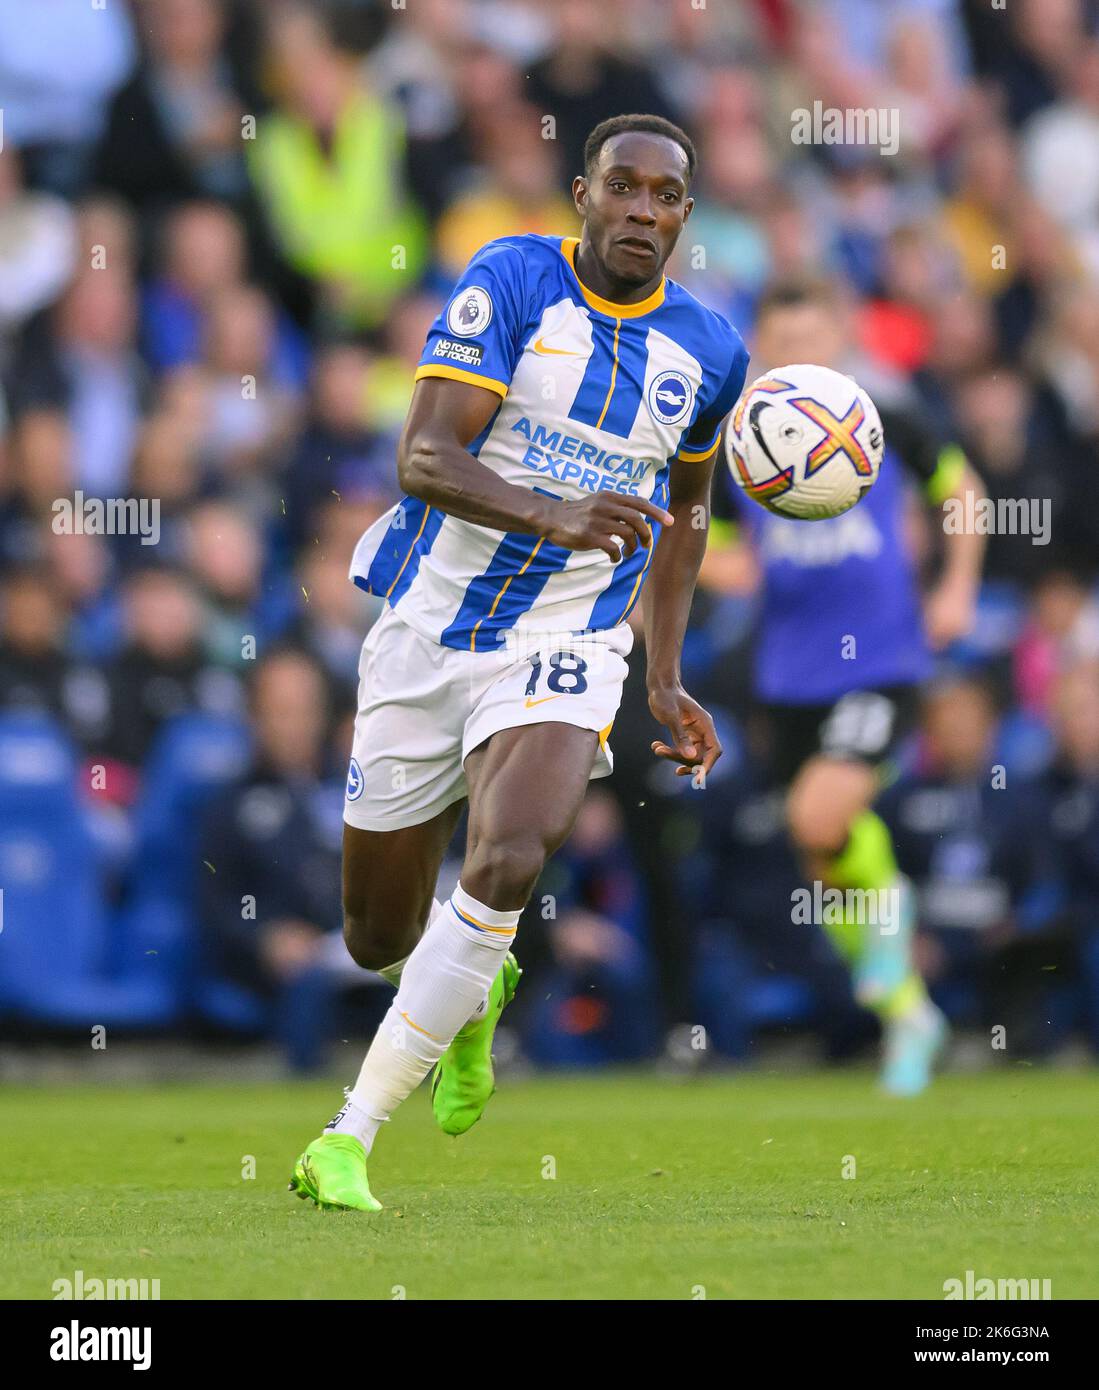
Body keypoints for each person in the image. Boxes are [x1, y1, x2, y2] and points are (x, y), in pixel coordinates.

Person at [289, 113, 748, 1211]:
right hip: (425, 629)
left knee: (509, 851)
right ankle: (475, 980)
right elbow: (424, 455)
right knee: (376, 935)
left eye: (665, 196)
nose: (642, 210)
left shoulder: (712, 355)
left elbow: (685, 520)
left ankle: (346, 1137)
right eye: (622, 187)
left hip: (569, 638)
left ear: (686, 215)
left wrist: (662, 673)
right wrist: (556, 513)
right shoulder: (511, 281)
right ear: (581, 193)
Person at [706, 276, 987, 1094]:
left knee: (820, 813)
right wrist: (672, 549)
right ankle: (908, 1012)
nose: (797, 354)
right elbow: (732, 557)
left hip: (881, 660)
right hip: (787, 675)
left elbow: (961, 491)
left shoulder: (883, 416)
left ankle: (890, 933)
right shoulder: (739, 444)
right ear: (762, 346)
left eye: (811, 338)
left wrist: (957, 587)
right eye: (781, 341)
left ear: (840, 338)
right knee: (824, 857)